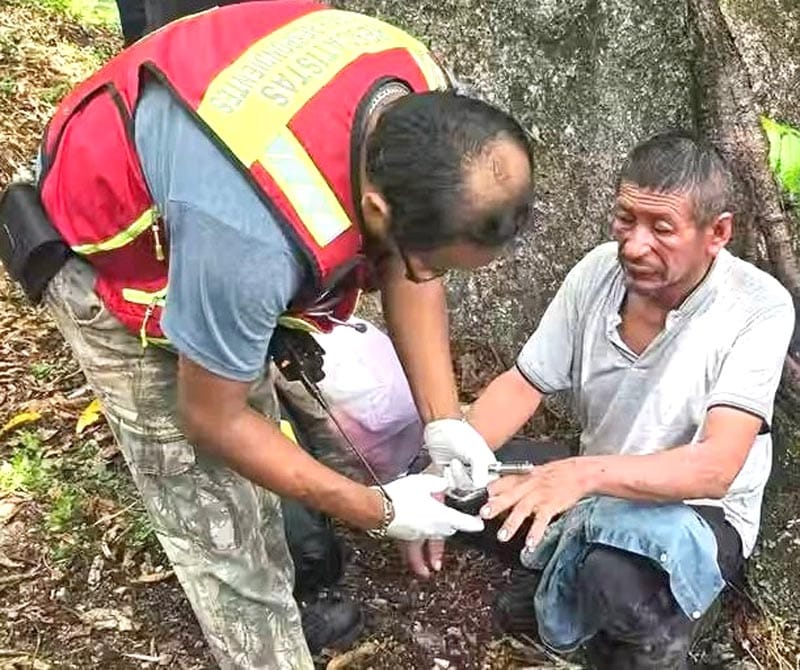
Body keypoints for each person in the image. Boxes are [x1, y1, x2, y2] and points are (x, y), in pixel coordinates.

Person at [15, 2, 536, 667]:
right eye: (429, 263)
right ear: (376, 209)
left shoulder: (425, 105)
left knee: (266, 461)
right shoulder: (247, 245)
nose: (425, 276)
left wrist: (443, 420)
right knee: (222, 523)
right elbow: (213, 418)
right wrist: (376, 511)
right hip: (117, 253)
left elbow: (410, 269)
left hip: (210, 201)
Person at [454, 131, 793, 668]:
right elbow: (522, 384)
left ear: (717, 233)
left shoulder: (757, 306)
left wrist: (579, 475)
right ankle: (567, 574)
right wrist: (441, 474)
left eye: (662, 228)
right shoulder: (597, 272)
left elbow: (715, 469)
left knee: (612, 577)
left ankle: (660, 631)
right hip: (598, 478)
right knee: (461, 484)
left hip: (697, 512)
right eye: (625, 219)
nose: (634, 245)